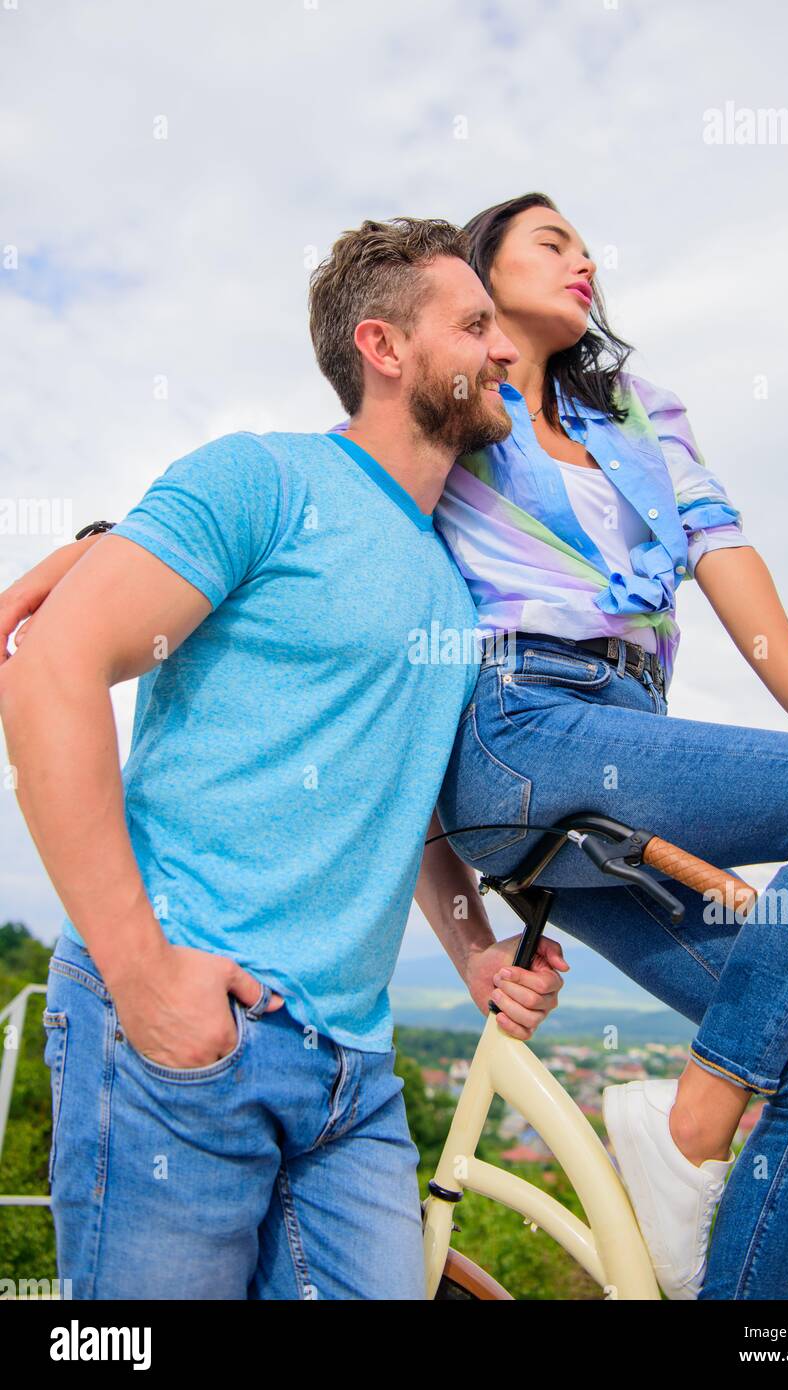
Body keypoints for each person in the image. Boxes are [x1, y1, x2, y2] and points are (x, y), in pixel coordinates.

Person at [0, 216, 569, 1300]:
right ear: (385, 349)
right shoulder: (262, 480)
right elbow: (46, 672)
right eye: (476, 323)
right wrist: (147, 979)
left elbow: (408, 812)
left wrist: (476, 956)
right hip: (185, 1038)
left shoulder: (453, 586)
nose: (505, 350)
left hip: (355, 1079)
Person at [411, 193, 788, 1300]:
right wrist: (110, 555)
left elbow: (718, 545)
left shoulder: (641, 413)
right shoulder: (451, 404)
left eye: (589, 246)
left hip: (620, 756)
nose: (584, 259)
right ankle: (690, 1125)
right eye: (551, 242)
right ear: (479, 272)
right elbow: (336, 516)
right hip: (522, 731)